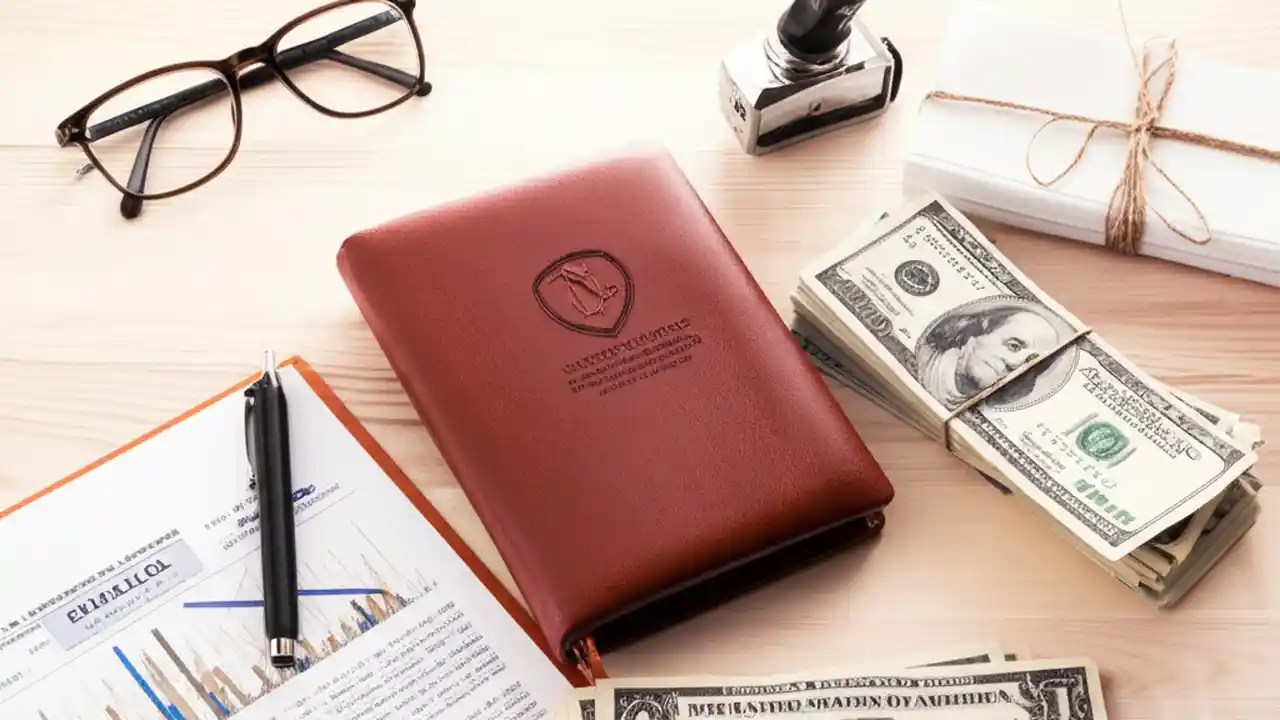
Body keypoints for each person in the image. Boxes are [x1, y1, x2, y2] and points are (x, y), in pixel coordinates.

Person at [917, 304, 1061, 409]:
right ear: (975, 334)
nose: (1015, 363)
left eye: (1031, 361)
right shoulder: (921, 361)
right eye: (1013, 346)